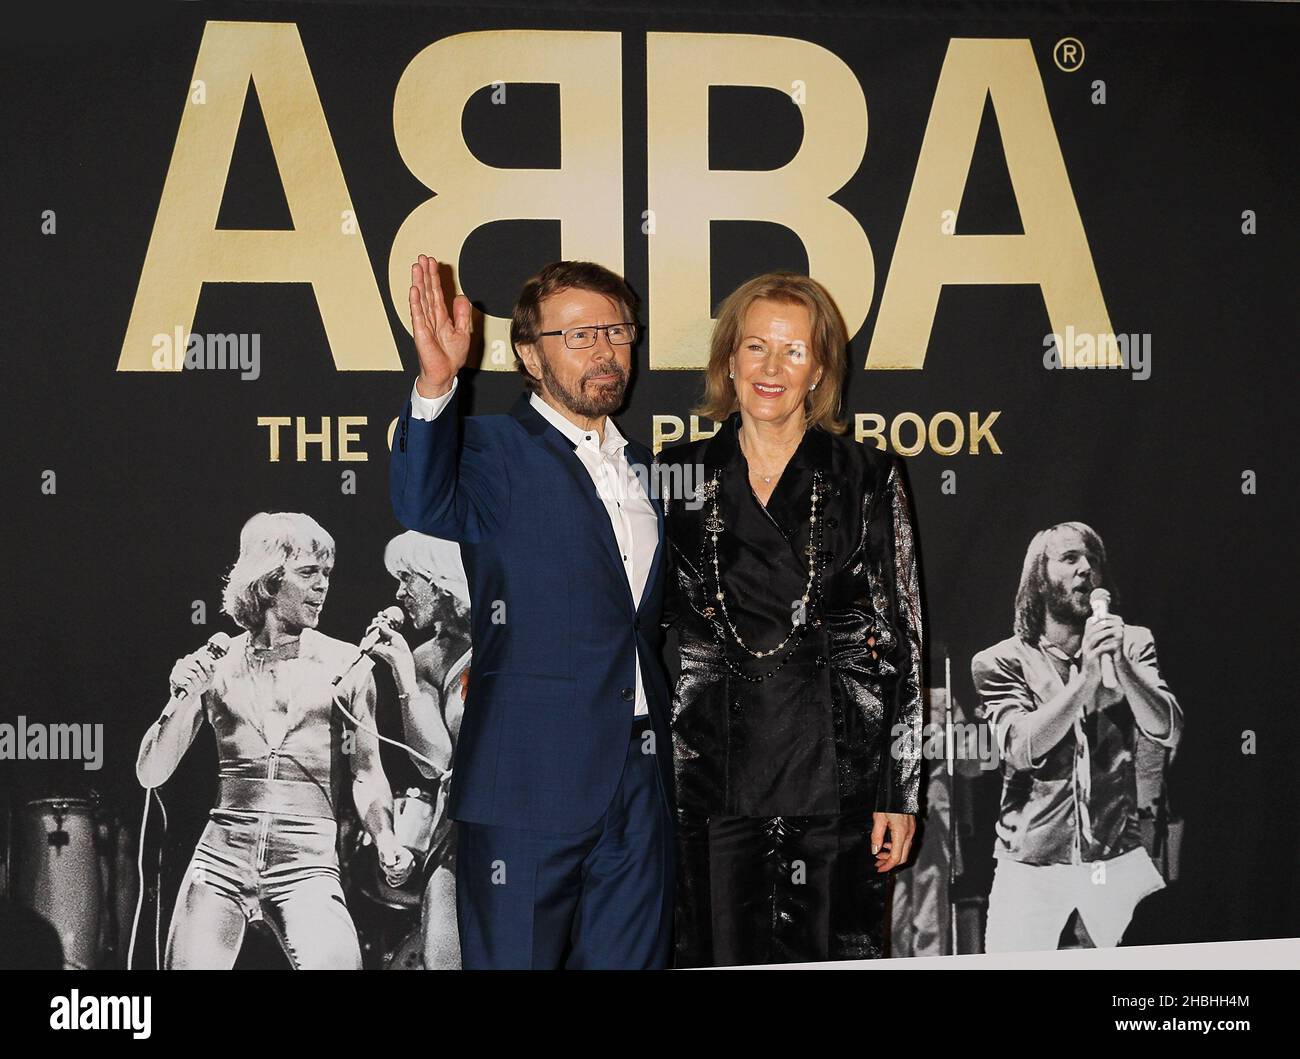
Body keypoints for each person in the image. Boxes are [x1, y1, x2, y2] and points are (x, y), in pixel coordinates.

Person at [389, 255, 674, 969]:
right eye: (579, 335)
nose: (605, 350)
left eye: (617, 331)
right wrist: (436, 382)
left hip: (639, 782)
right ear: (528, 353)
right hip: (525, 784)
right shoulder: (488, 448)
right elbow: (420, 500)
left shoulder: (650, 467)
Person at [656, 271, 925, 966]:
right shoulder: (672, 475)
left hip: (837, 767)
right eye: (755, 347)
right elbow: (630, 620)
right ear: (728, 362)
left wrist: (901, 791)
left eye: (794, 351)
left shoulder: (867, 475)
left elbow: (902, 643)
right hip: (708, 764)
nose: (772, 368)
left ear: (821, 371)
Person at [135, 512, 414, 969]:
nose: (322, 585)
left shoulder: (347, 665)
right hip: (222, 857)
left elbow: (367, 772)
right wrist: (185, 699)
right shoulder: (218, 664)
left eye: (327, 573)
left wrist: (385, 838)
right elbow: (150, 772)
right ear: (267, 580)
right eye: (308, 573)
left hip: (307, 863)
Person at [971, 521, 1184, 952]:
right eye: (1070, 559)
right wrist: (1084, 682)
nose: (1086, 569)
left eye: (1093, 561)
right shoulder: (1000, 661)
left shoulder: (1134, 643)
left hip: (1115, 855)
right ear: (1039, 577)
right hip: (1030, 865)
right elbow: (1019, 747)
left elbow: (1168, 728)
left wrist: (1121, 665)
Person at [365, 530, 468, 969]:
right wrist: (404, 674)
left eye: (408, 579)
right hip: (458, 835)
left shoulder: (512, 636)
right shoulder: (428, 658)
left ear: (441, 581)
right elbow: (435, 762)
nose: (399, 593)